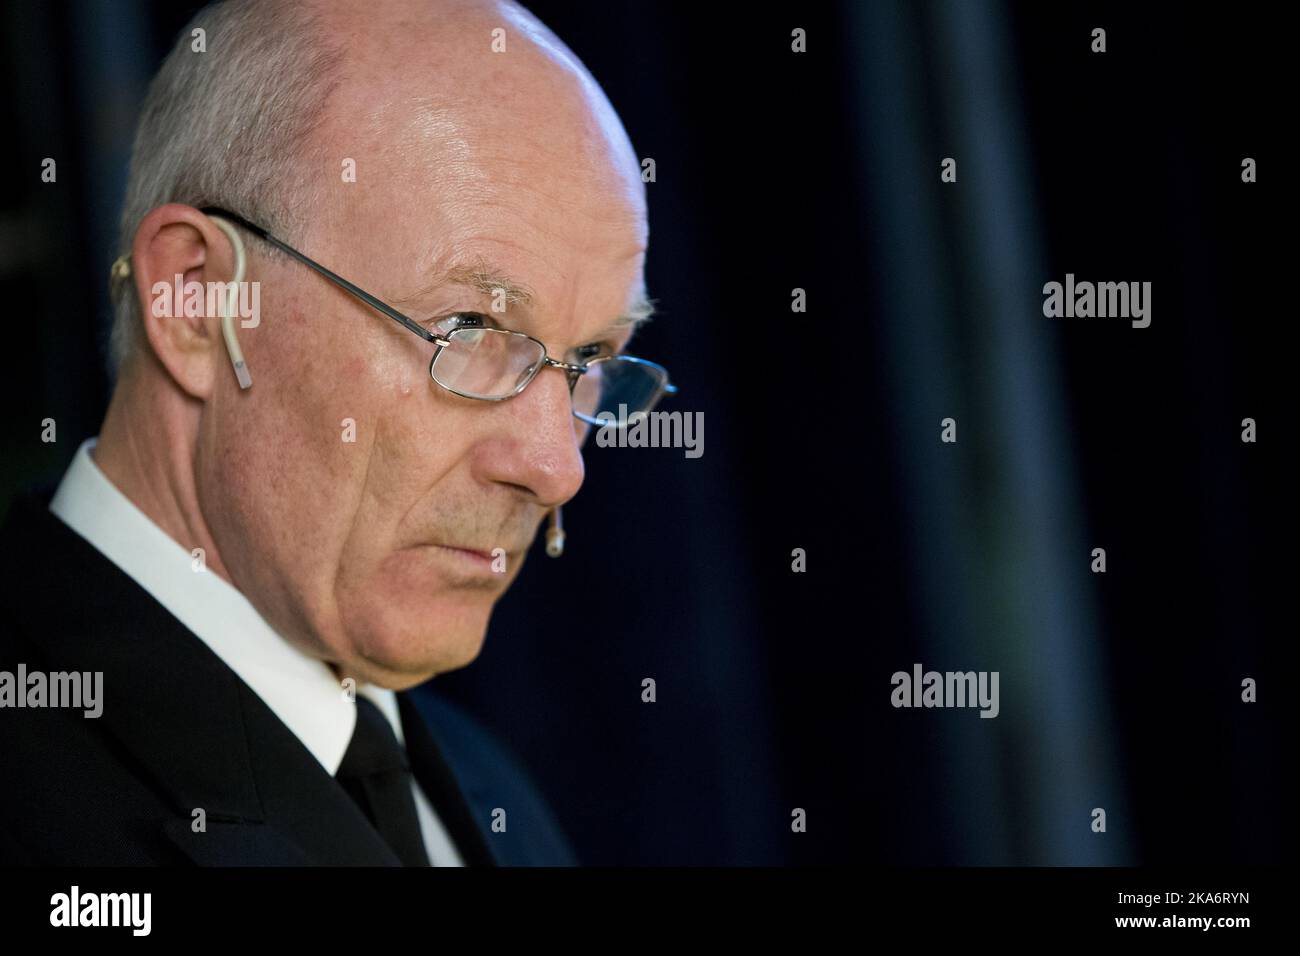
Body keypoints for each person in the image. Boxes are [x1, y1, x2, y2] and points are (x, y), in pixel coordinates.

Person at [0, 0, 674, 866]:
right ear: (199, 304)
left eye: (590, 357)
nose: (554, 467)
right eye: (469, 330)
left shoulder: (494, 792)